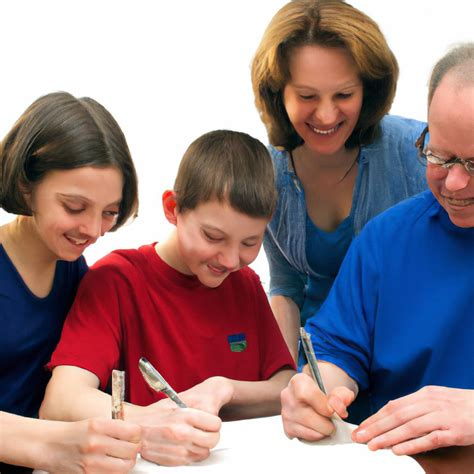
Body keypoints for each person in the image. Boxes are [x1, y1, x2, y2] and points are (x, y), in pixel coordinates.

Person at [40, 130, 296, 466]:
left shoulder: (245, 284)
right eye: (213, 236)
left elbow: (285, 387)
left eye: (250, 243)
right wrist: (149, 421)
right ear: (173, 209)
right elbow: (60, 401)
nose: (231, 260)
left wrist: (225, 389)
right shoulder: (117, 280)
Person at [280, 43, 474, 456]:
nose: (454, 183)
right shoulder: (387, 239)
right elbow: (337, 350)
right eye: (439, 155)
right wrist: (317, 390)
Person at [251, 0, 427, 363]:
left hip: (410, 359)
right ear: (277, 92)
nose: (327, 114)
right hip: (322, 362)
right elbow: (286, 286)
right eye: (306, 96)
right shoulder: (267, 171)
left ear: (369, 89)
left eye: (344, 95)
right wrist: (285, 381)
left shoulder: (421, 153)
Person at [0, 91, 141, 472]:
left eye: (109, 212)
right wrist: (55, 445)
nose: (92, 230)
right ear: (27, 185)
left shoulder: (75, 272)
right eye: (74, 207)